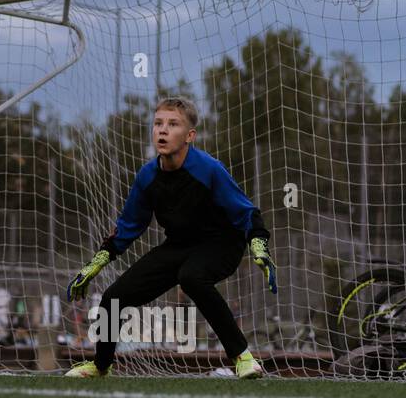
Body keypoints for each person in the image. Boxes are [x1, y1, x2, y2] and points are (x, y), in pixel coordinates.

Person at [65, 96, 276, 379]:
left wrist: (259, 247)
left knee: (192, 277)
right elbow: (128, 226)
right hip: (179, 245)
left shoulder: (209, 169)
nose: (162, 130)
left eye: (173, 124)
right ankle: (101, 366)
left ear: (190, 136)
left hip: (222, 243)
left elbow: (247, 213)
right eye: (158, 123)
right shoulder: (147, 176)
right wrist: (96, 264)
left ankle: (243, 358)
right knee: (113, 297)